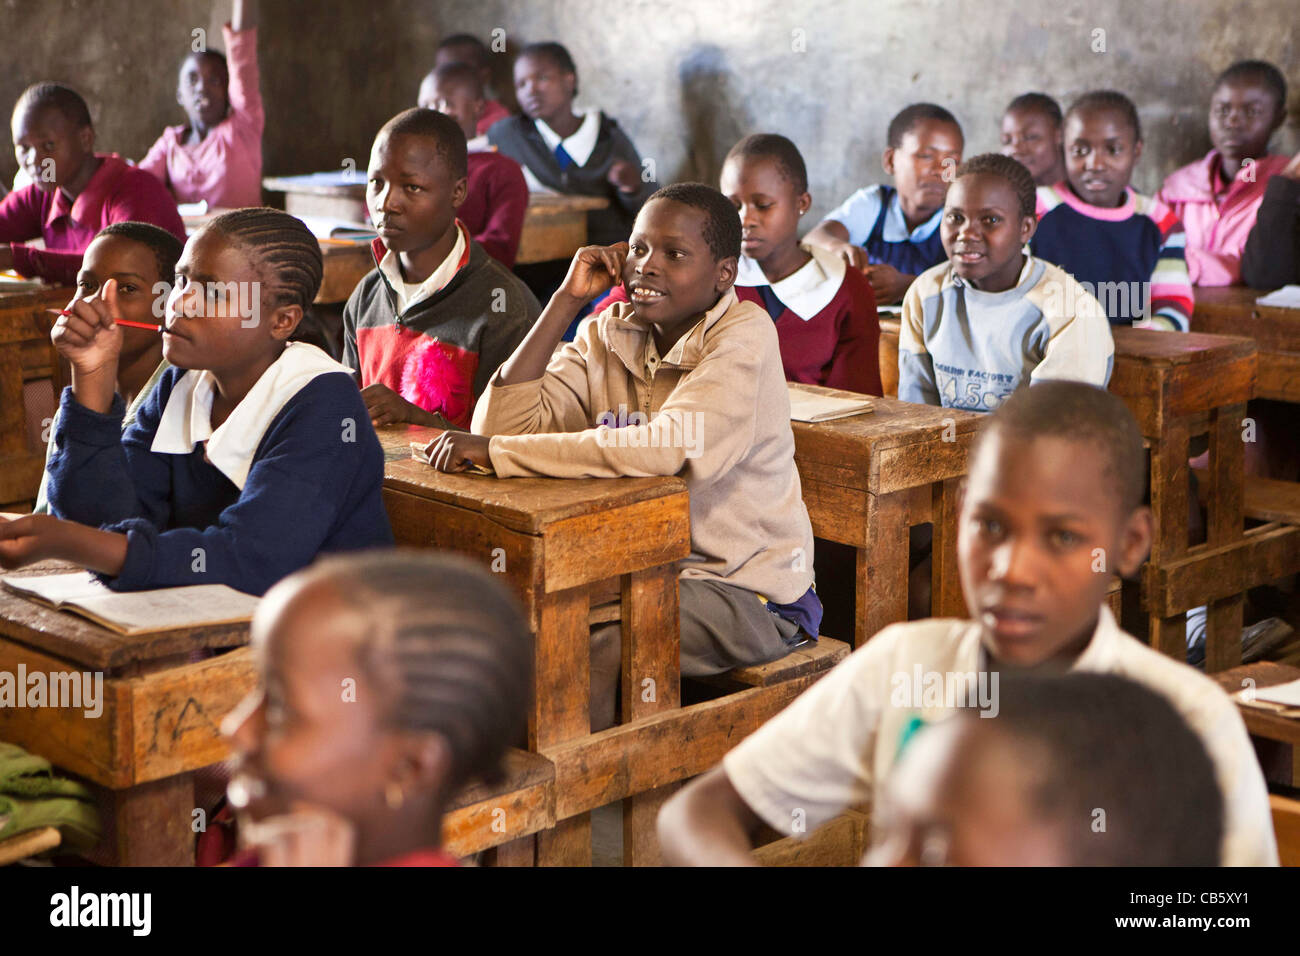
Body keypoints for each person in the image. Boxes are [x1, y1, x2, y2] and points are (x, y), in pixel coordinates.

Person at [656, 381, 1277, 866]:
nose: (1011, 569)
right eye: (990, 525)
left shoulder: (1186, 723)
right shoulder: (908, 666)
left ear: (1131, 543)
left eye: (1062, 536)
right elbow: (698, 815)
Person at [0, 208, 393, 596]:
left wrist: (73, 542)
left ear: (282, 321)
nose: (179, 303)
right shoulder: (184, 383)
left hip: (336, 640)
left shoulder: (325, 408)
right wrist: (92, 374)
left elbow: (252, 559)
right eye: (181, 280)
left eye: (212, 292)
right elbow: (108, 519)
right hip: (219, 628)